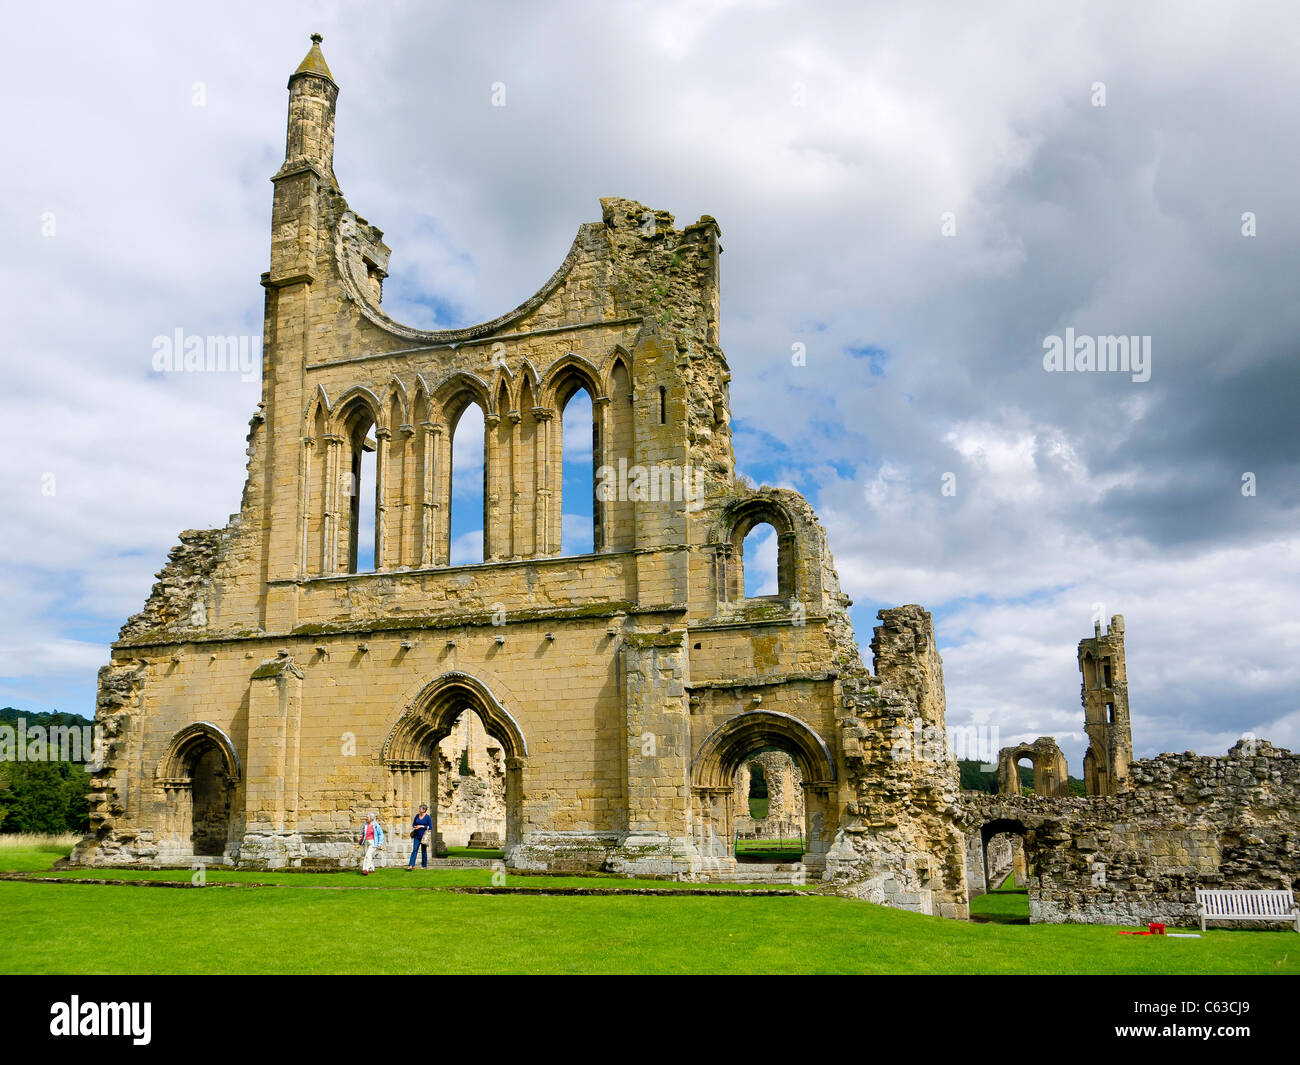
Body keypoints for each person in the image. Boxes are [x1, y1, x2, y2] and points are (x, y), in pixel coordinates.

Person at [407, 803, 433, 869]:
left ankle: (424, 866)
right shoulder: (417, 816)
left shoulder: (427, 817)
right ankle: (411, 865)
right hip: (416, 835)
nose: (419, 809)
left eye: (420, 808)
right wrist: (415, 827)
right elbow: (413, 824)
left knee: (423, 851)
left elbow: (430, 827)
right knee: (414, 850)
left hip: (424, 836)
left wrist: (421, 826)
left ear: (424, 810)